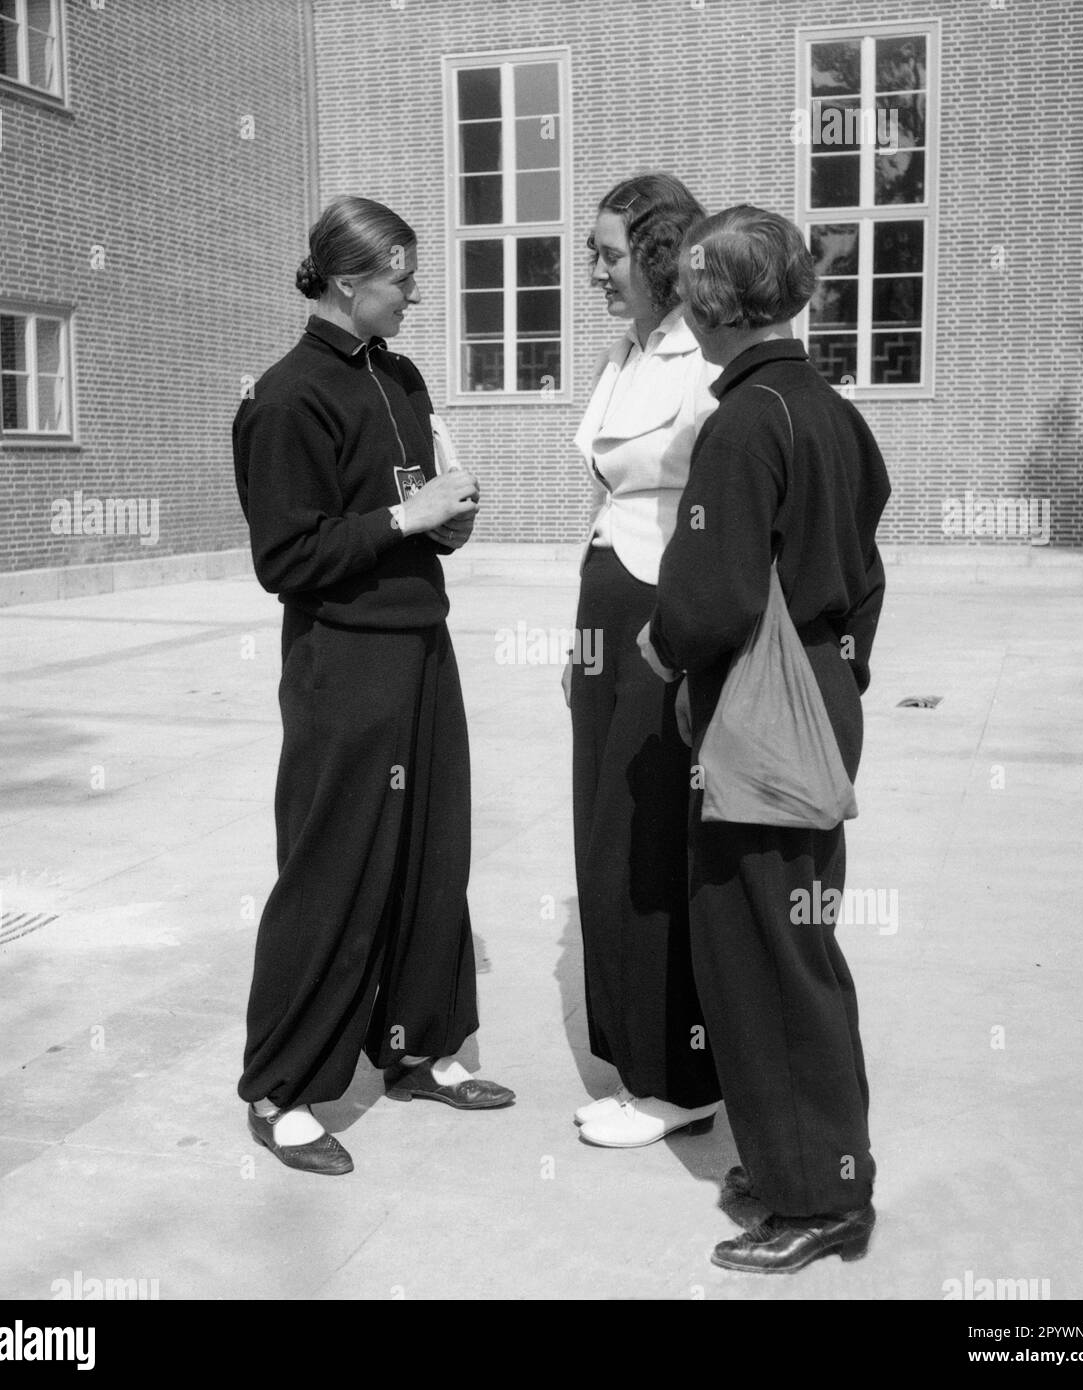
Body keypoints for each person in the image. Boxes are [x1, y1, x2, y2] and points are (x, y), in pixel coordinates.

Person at [233, 195, 514, 1176]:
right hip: (342, 660)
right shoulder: (284, 397)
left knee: (432, 852)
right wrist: (407, 520)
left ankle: (416, 1048)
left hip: (418, 642)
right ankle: (282, 1087)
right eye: (402, 277)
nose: (418, 293)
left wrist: (448, 516)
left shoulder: (398, 374)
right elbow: (286, 556)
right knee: (334, 864)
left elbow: (419, 498)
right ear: (350, 281)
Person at [643, 205, 891, 1269]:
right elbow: (867, 562)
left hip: (760, 707)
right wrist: (842, 672)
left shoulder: (744, 422)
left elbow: (711, 598)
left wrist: (661, 648)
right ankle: (804, 1163)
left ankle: (821, 1197)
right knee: (790, 937)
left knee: (762, 952)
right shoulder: (829, 409)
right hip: (819, 691)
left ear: (709, 304)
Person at [567, 173, 723, 1147]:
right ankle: (633, 1060)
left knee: (651, 839)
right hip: (604, 617)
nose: (592, 271)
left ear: (659, 256)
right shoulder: (628, 351)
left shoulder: (705, 361)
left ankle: (677, 1079)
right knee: (603, 834)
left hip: (658, 620)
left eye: (607, 253)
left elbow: (721, 517)